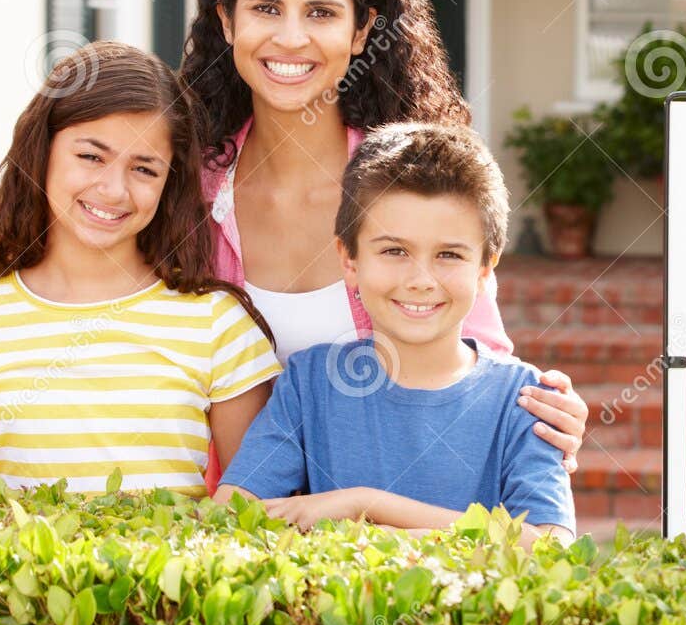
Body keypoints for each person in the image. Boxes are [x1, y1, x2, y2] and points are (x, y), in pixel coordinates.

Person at [0, 0, 590, 489]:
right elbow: (83, 299)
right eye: (266, 8)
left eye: (321, 12)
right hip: (227, 548)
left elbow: (477, 369)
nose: (291, 38)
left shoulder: (410, 198)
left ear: (362, 30)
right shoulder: (176, 187)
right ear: (228, 21)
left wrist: (548, 417)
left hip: (384, 542)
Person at [0, 43, 279, 495]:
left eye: (145, 169)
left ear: (170, 183)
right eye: (91, 156)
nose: (113, 189)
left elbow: (258, 512)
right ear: (43, 150)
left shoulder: (218, 325)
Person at [213, 123, 575, 546]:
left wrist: (368, 504)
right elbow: (232, 514)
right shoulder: (310, 382)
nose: (420, 280)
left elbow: (551, 545)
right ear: (349, 260)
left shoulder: (526, 400)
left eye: (448, 255)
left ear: (484, 269)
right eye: (394, 251)